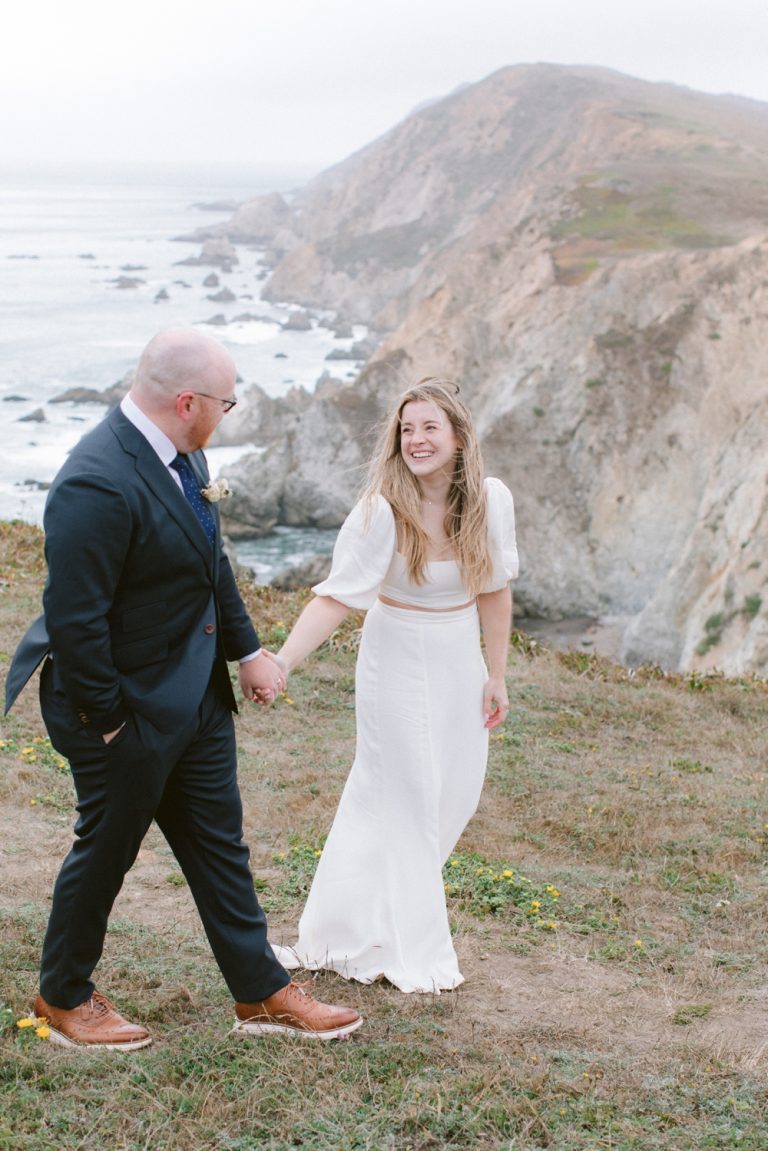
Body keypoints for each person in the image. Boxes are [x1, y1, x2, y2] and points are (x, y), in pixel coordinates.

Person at [4, 328, 362, 1047]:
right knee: (106, 849)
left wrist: (247, 650)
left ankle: (261, 992)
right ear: (187, 400)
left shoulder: (182, 452)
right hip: (119, 710)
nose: (229, 413)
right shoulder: (94, 480)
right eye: (227, 402)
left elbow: (211, 562)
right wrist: (111, 726)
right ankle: (62, 997)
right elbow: (78, 624)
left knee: (219, 846)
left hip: (193, 697)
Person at [271, 378, 518, 993]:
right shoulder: (382, 508)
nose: (416, 439)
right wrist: (281, 662)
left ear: (458, 437)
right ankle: (415, 948)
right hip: (396, 659)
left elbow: (493, 589)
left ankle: (354, 922)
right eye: (407, 429)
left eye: (430, 427)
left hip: (458, 661)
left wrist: (497, 674)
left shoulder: (490, 500)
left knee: (452, 794)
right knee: (405, 795)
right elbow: (337, 597)